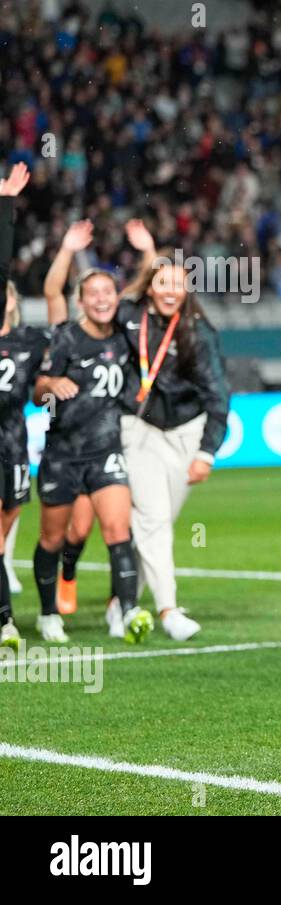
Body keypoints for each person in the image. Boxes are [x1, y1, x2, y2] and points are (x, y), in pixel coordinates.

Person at [45, 220, 231, 641]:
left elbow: (219, 395)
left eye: (177, 284)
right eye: (161, 282)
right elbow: (69, 296)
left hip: (186, 434)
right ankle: (167, 611)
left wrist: (207, 452)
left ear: (186, 291)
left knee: (154, 528)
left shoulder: (200, 334)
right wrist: (145, 251)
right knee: (153, 521)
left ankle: (118, 603)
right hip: (138, 430)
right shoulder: (128, 316)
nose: (169, 291)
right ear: (150, 286)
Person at [32, 254, 149, 643]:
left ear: (116, 297)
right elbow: (37, 387)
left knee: (118, 530)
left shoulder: (125, 334)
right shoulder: (65, 337)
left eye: (107, 292)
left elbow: (144, 286)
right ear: (80, 301)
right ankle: (49, 613)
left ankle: (127, 610)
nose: (101, 299)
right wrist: (51, 385)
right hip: (63, 455)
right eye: (92, 293)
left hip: (106, 450)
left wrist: (147, 251)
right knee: (57, 537)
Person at [0, 163, 39, 648]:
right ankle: (5, 621)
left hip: (11, 444)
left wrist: (7, 205)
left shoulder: (27, 341)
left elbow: (3, 263)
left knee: (5, 527)